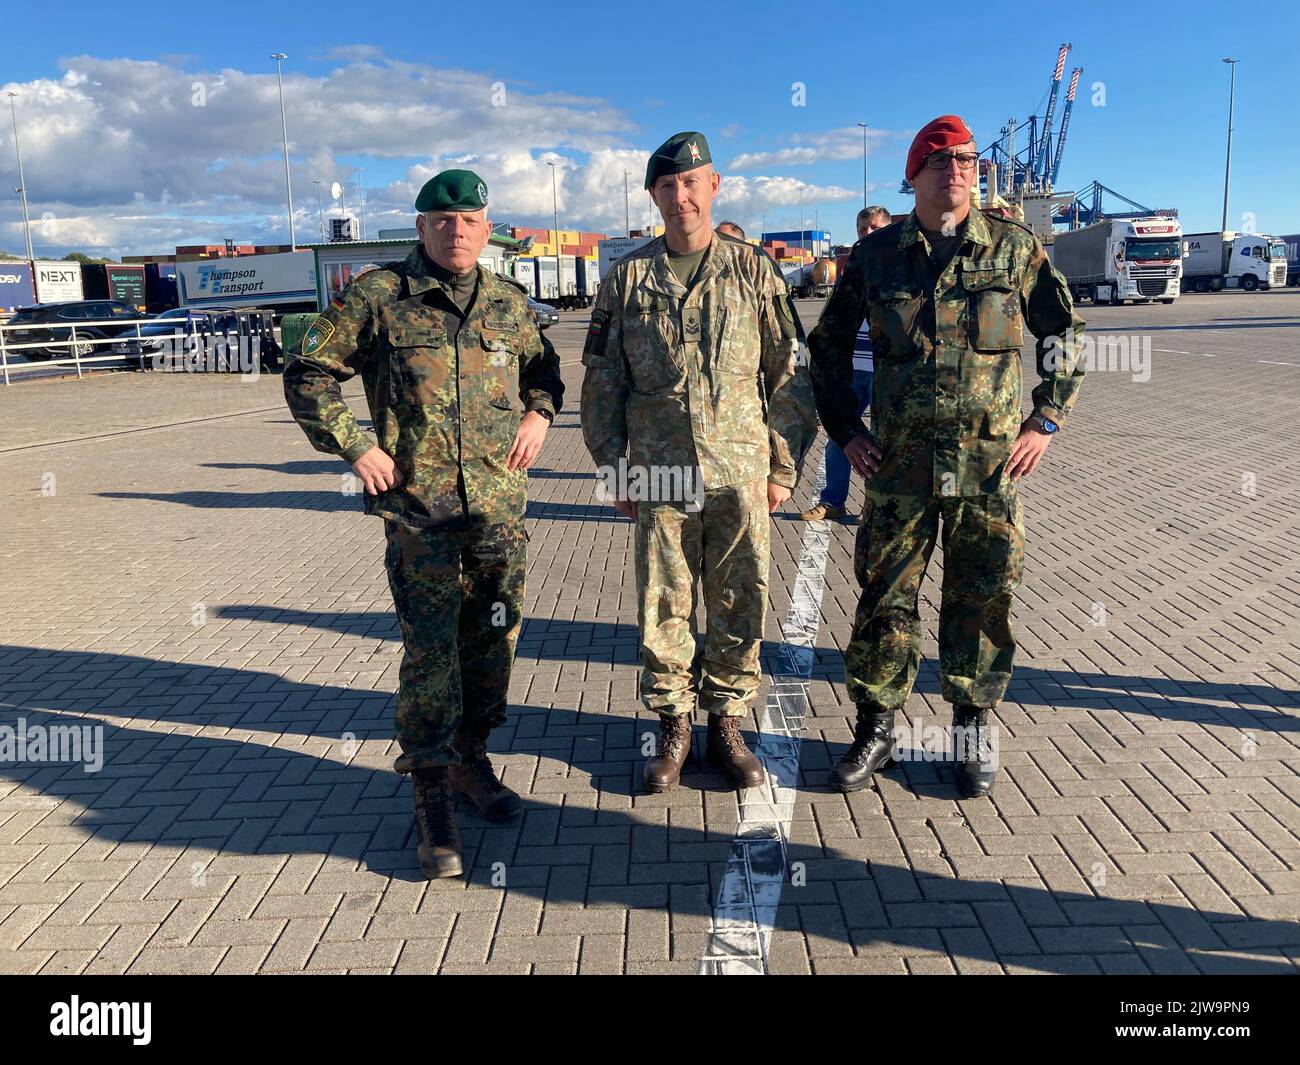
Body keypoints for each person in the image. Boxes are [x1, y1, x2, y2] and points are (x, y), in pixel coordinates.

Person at [283, 169, 564, 877]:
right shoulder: (380, 297)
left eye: (470, 219)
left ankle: (472, 758)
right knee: (431, 654)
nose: (458, 230)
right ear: (421, 227)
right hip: (422, 517)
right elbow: (308, 370)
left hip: (498, 511)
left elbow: (546, 372)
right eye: (443, 220)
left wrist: (540, 413)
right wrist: (355, 444)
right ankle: (431, 790)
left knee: (494, 643)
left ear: (486, 224)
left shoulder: (508, 301)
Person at [807, 115, 1086, 798]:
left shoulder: (1014, 250)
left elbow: (1065, 333)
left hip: (988, 470)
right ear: (912, 177)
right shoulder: (873, 258)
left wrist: (1045, 419)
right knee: (883, 600)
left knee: (981, 599)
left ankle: (971, 728)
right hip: (897, 469)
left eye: (965, 159)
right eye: (938, 161)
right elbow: (827, 348)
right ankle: (877, 728)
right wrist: (845, 429)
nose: (955, 170)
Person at [581, 132, 817, 793]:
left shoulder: (753, 270)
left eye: (692, 182)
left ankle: (730, 725)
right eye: (667, 186)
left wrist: (782, 466)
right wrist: (612, 463)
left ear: (713, 187)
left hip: (740, 471)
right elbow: (603, 381)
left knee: (740, 598)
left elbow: (790, 373)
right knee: (664, 601)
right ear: (653, 195)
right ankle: (675, 727)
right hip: (659, 473)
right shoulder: (626, 279)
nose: (680, 196)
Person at [800, 205, 892, 521]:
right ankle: (832, 501)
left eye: (876, 228)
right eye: (864, 229)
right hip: (854, 368)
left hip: (884, 371)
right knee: (842, 435)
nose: (869, 234)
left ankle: (879, 505)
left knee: (886, 439)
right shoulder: (852, 268)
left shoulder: (901, 267)